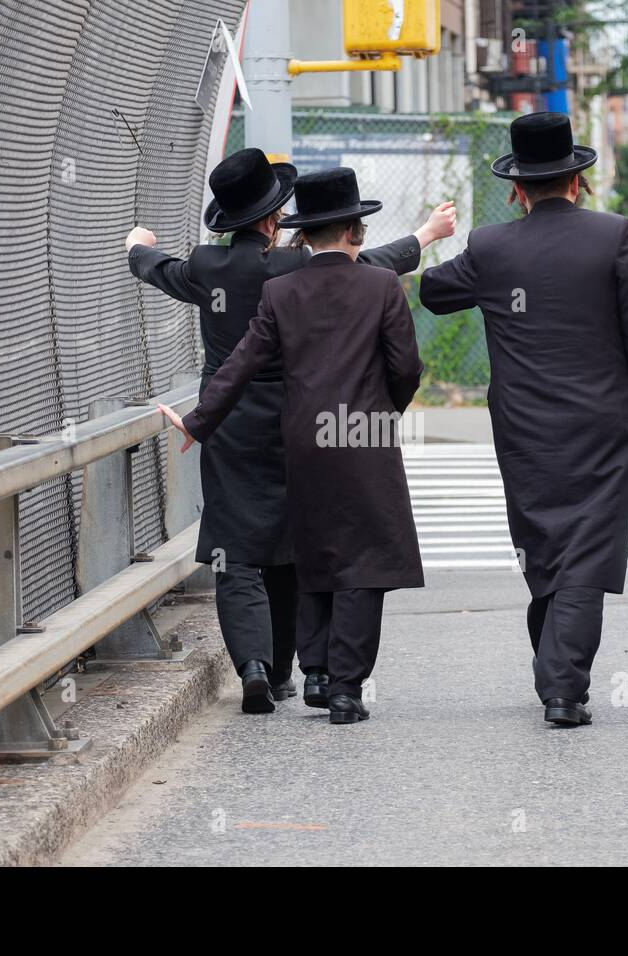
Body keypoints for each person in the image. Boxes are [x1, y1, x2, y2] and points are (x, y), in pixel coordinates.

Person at [125, 148, 455, 715]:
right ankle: (314, 673)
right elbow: (368, 269)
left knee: (238, 547)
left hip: (239, 424)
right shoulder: (305, 270)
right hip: (312, 421)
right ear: (275, 219)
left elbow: (160, 272)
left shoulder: (207, 267)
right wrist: (424, 235)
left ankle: (262, 665)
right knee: (310, 547)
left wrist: (137, 247)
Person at [418, 112, 628, 727]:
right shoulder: (614, 236)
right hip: (604, 422)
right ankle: (562, 685)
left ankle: (557, 671)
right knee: (587, 551)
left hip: (524, 428)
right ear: (578, 181)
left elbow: (431, 292)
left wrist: (424, 242)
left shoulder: (491, 248)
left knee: (543, 544)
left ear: (516, 189)